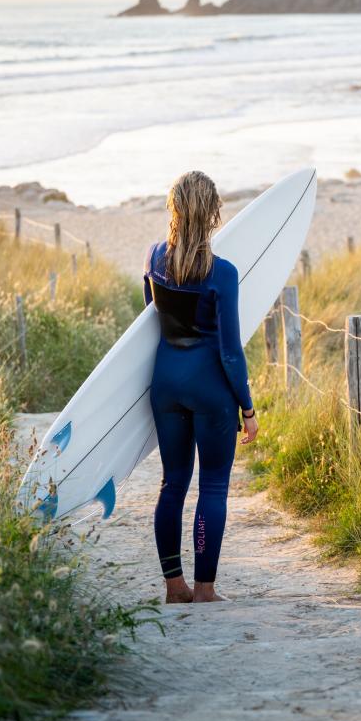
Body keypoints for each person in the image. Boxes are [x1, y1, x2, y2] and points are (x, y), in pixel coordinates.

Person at [143, 171, 258, 603]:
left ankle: (175, 587)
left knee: (172, 484)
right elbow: (230, 352)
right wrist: (247, 408)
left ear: (173, 210)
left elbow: (149, 323)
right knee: (212, 486)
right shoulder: (222, 274)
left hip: (166, 384)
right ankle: (205, 589)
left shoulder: (154, 258)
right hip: (210, 392)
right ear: (213, 214)